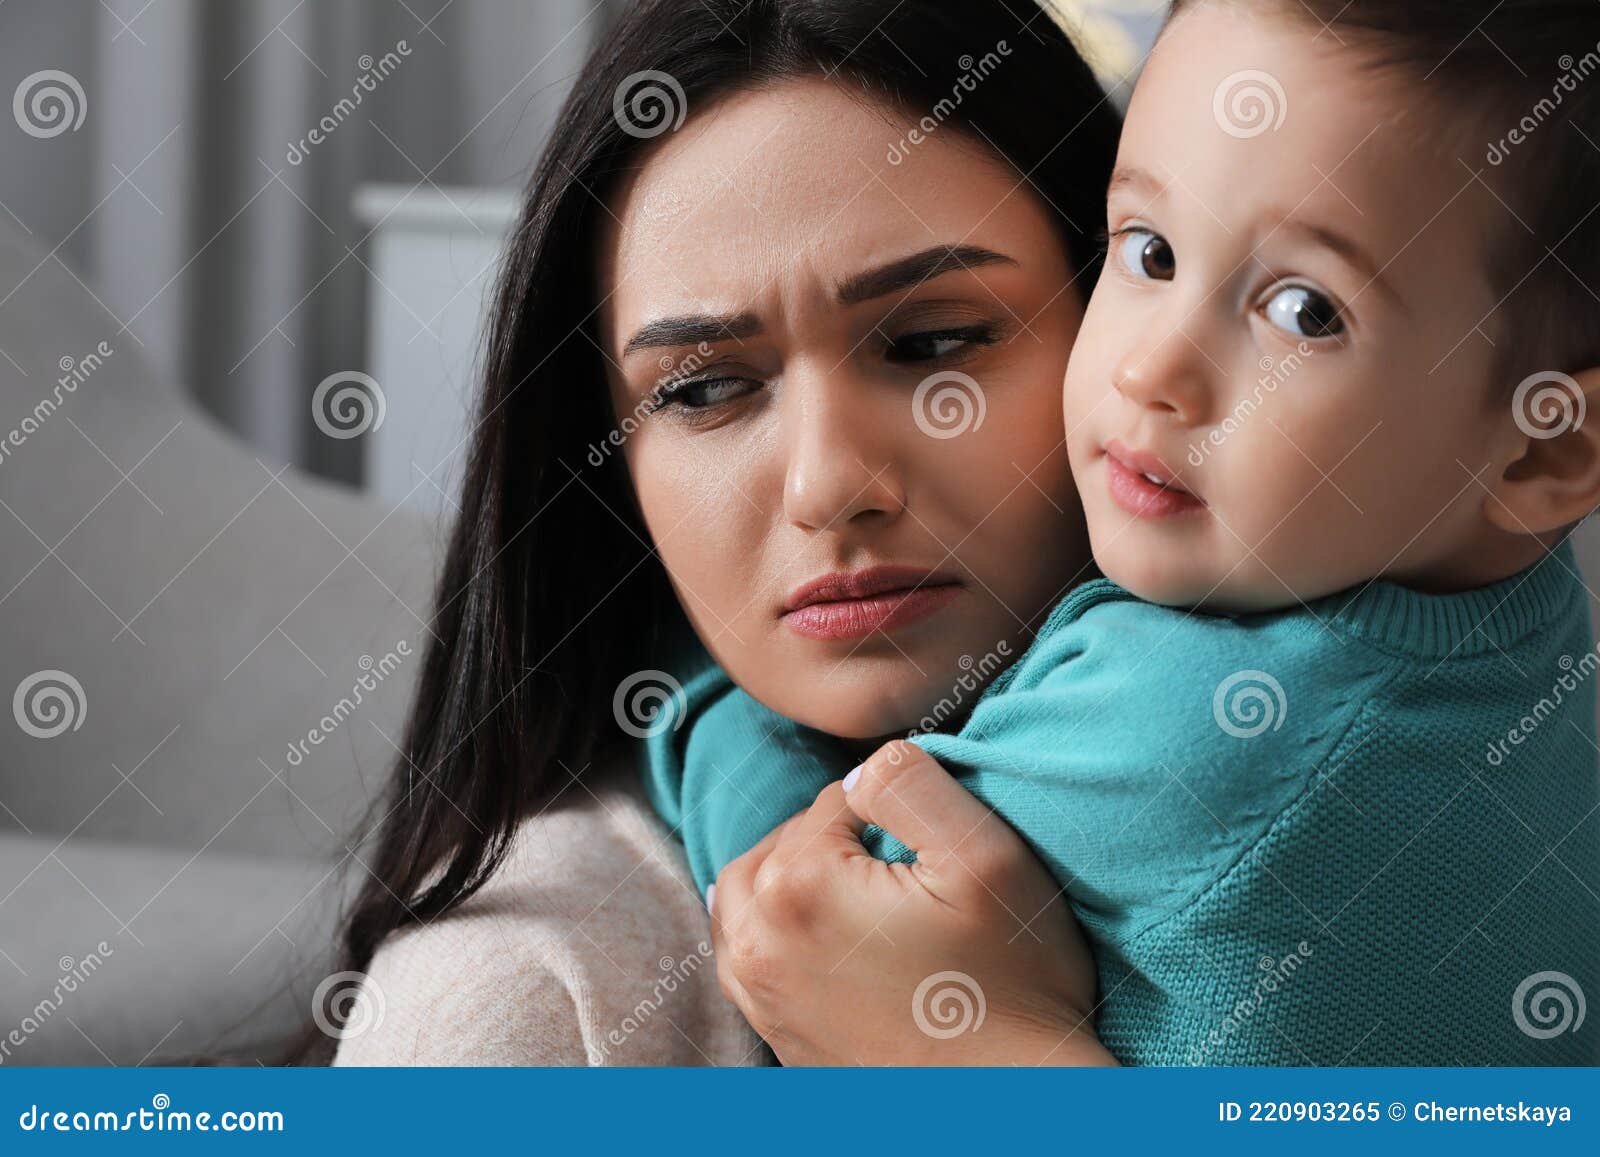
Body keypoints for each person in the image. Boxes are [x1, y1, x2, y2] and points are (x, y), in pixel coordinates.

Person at [655, 0, 1600, 1065]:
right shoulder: (1519, 618)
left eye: (1303, 313)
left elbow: (802, 917)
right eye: (1148, 250)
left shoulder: (1192, 730)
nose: (1151, 369)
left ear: (1545, 452)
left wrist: (704, 715)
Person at [321, 0, 1125, 1065]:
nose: (827, 485)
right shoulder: (521, 1004)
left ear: (1122, 324)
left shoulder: (1384, 780)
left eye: (932, 340)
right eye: (703, 390)